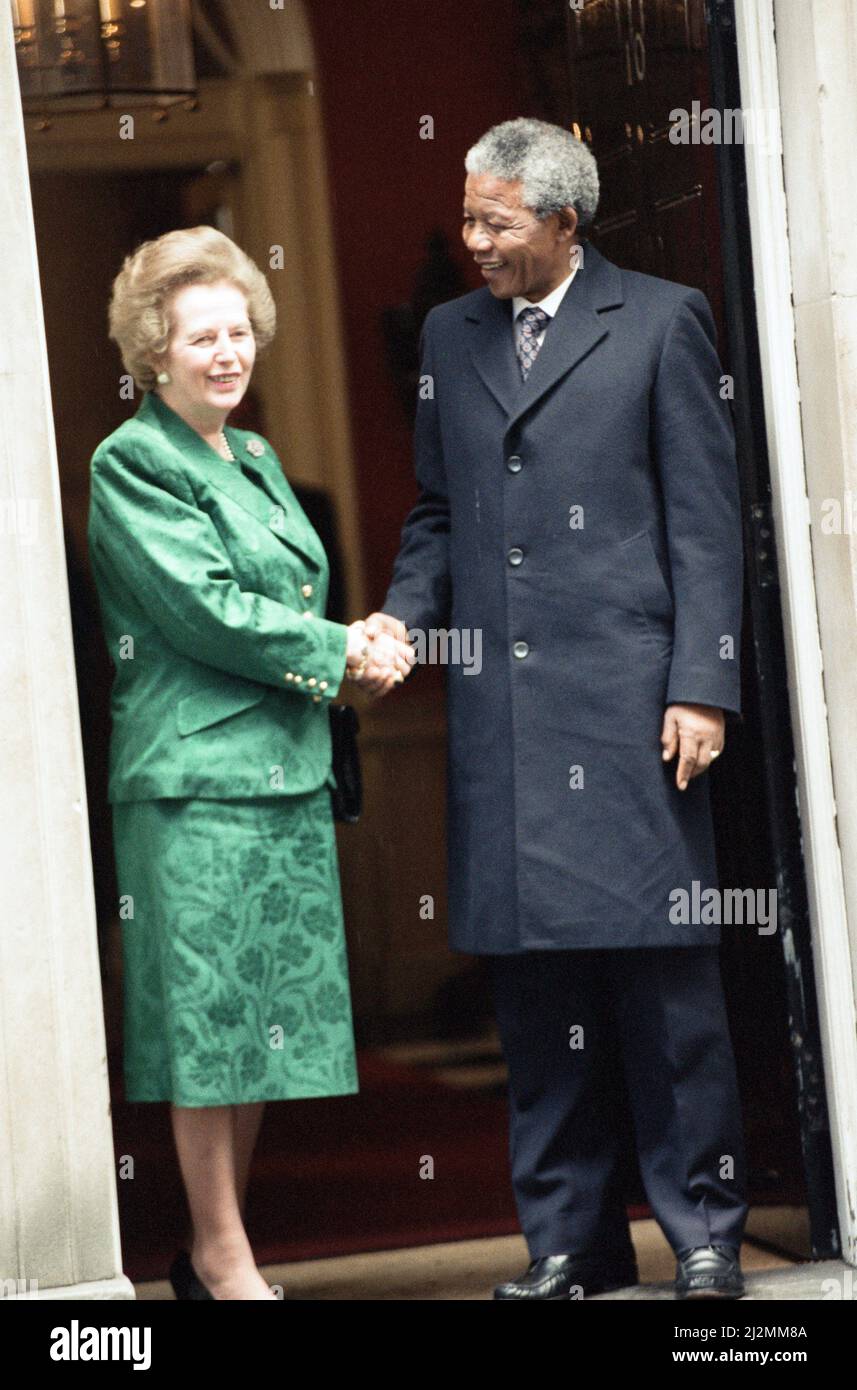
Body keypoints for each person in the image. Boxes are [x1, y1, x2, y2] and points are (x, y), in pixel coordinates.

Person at [370, 118, 748, 1300]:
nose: (471, 239)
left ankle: (703, 1239)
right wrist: (399, 618)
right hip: (505, 720)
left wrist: (702, 682)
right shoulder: (448, 331)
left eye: (495, 220)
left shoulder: (659, 318)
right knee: (535, 1005)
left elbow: (701, 520)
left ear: (563, 223)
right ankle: (569, 1250)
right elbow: (436, 509)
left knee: (663, 994)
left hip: (632, 713)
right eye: (469, 214)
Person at [88, 225, 413, 1301]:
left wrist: (363, 636)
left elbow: (282, 600)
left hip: (283, 770)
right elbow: (204, 612)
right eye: (201, 337)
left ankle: (209, 1248)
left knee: (262, 1021)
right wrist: (342, 650)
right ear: (154, 351)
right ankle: (223, 1256)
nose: (227, 353)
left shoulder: (258, 456)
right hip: (193, 783)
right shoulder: (133, 460)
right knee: (207, 1021)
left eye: (239, 332)